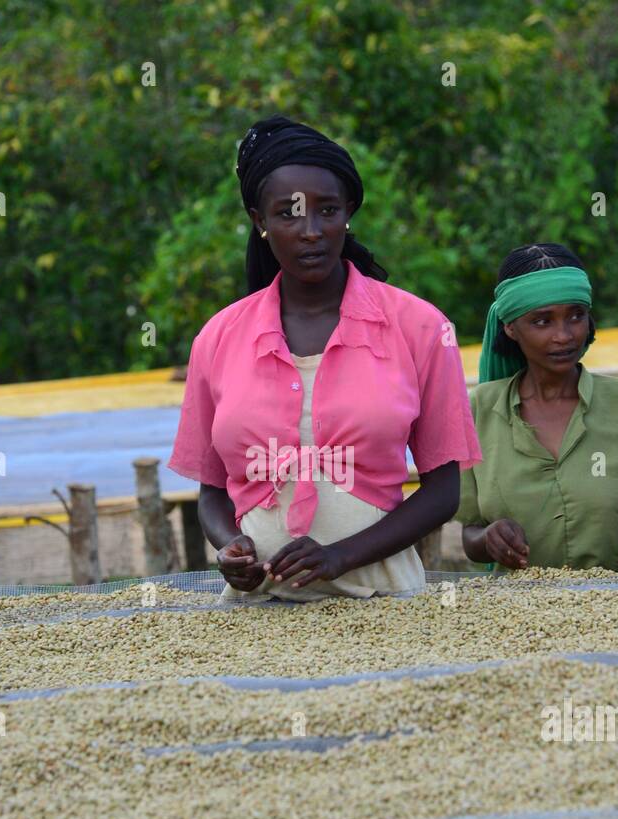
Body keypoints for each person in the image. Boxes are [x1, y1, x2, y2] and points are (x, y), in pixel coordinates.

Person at [169, 115, 481, 601]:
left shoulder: (420, 327)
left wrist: (340, 557)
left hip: (383, 605)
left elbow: (443, 493)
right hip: (257, 614)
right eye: (288, 214)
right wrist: (231, 548)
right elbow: (212, 492)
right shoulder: (219, 338)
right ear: (260, 222)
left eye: (328, 210)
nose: (311, 230)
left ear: (348, 212)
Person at [456, 243, 618, 572]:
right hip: (515, 614)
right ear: (510, 327)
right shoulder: (478, 410)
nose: (564, 335)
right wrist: (490, 539)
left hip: (617, 607)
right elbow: (471, 537)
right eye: (542, 322)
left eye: (576, 316)